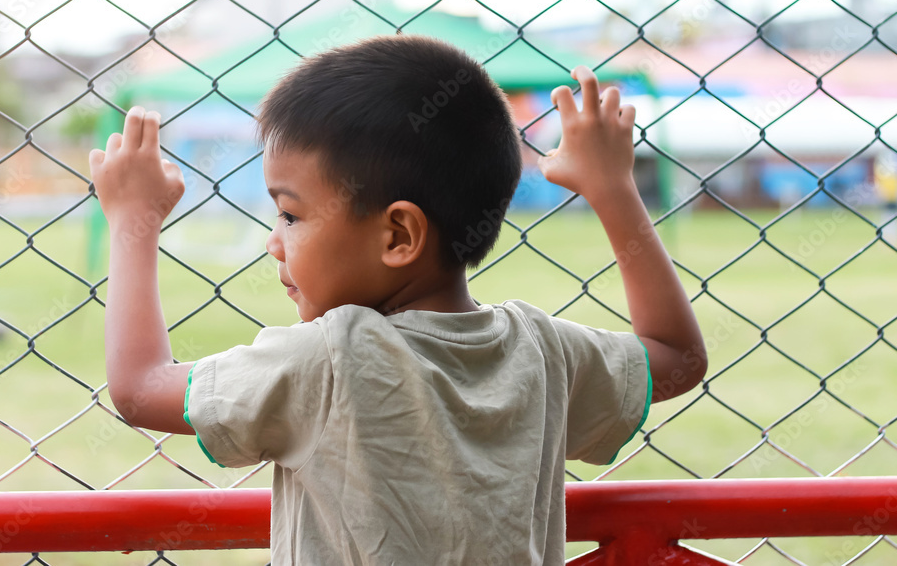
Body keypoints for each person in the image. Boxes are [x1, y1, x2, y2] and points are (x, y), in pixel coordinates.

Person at [88, 34, 706, 565]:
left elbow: (140, 388)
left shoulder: (329, 359)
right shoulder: (543, 351)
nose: (275, 244)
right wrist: (614, 189)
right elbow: (677, 356)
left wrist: (132, 222)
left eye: (290, 215)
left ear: (398, 235)